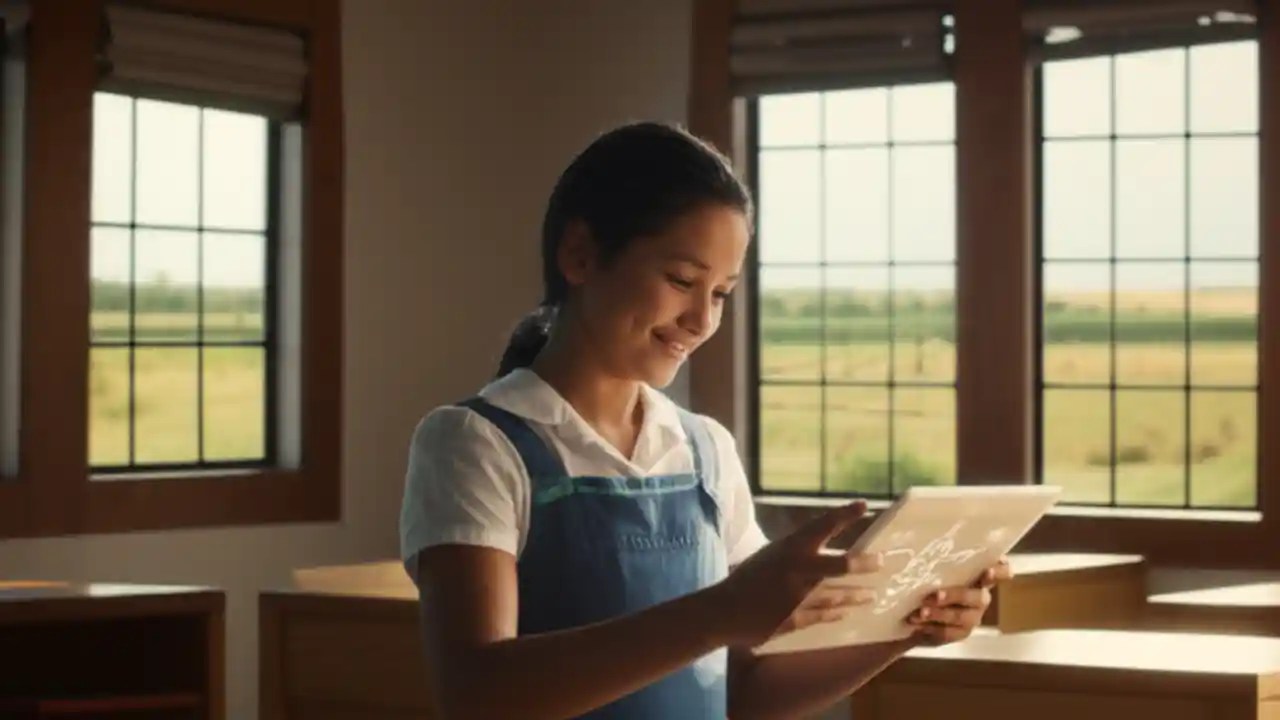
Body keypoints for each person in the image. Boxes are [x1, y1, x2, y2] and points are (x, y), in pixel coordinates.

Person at [399, 122, 1010, 719]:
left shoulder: (705, 449)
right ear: (580, 255)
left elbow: (740, 688)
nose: (701, 320)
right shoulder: (475, 444)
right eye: (682, 280)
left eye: (720, 293)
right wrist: (722, 611)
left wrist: (906, 628)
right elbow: (477, 694)